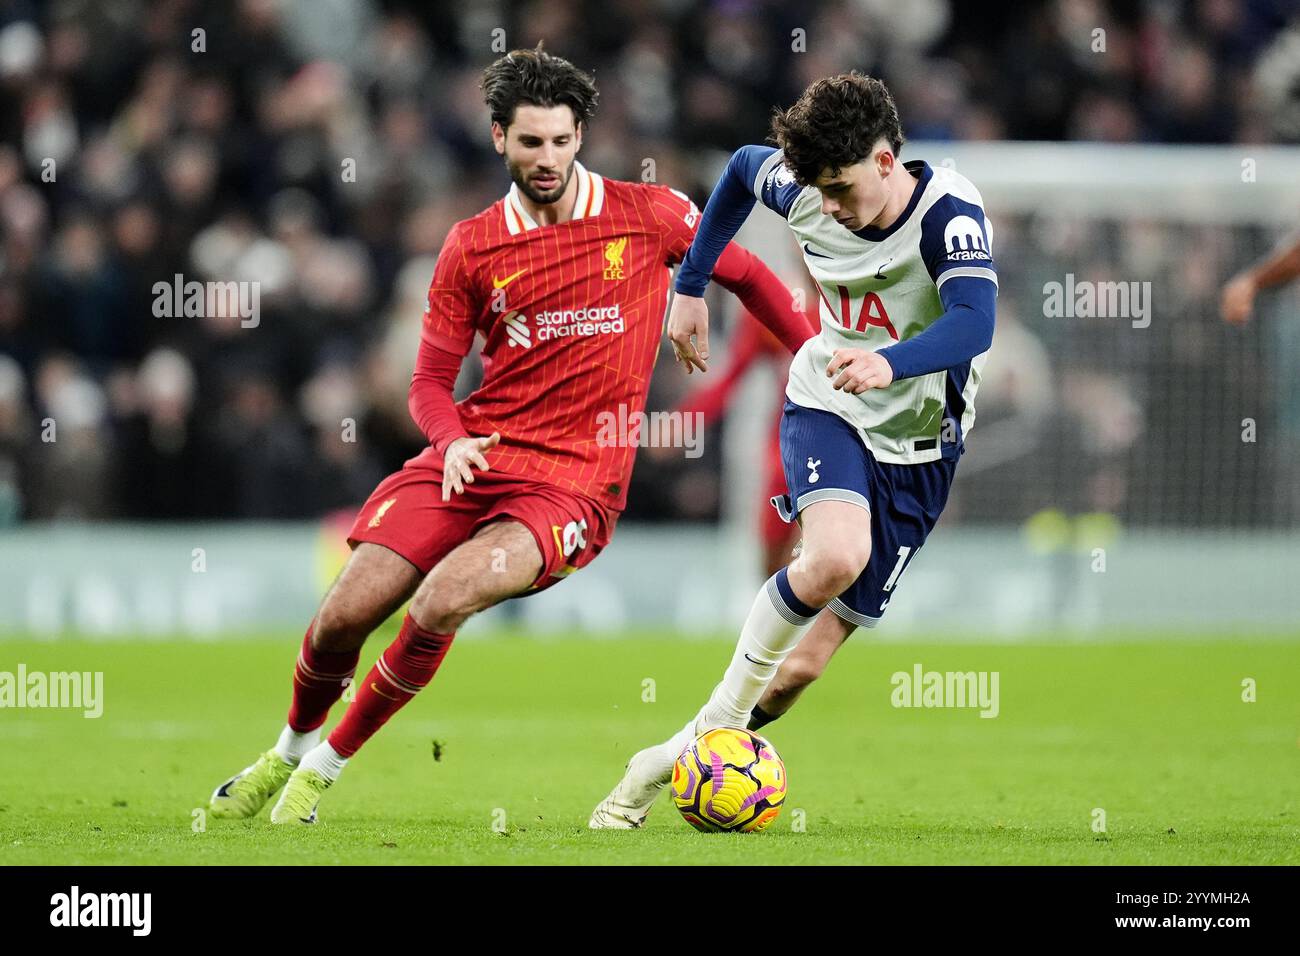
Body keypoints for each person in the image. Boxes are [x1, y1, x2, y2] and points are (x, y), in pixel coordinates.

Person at [207, 47, 813, 825]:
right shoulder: (472, 245)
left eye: (562, 141)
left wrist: (810, 356)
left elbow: (756, 278)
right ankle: (285, 751)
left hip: (574, 483)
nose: (549, 158)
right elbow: (428, 381)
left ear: (581, 135)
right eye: (531, 143)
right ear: (499, 138)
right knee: (341, 616)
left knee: (441, 600)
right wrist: (451, 437)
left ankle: (320, 773)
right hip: (477, 455)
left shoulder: (649, 212)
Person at [591, 71, 998, 828]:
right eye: (821, 191)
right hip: (830, 403)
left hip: (919, 447)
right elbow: (745, 168)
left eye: (842, 188)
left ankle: (666, 759)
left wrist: (893, 360)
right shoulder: (809, 185)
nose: (831, 207)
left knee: (797, 673)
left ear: (885, 160)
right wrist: (690, 285)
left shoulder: (949, 213)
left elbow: (975, 323)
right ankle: (714, 736)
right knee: (833, 557)